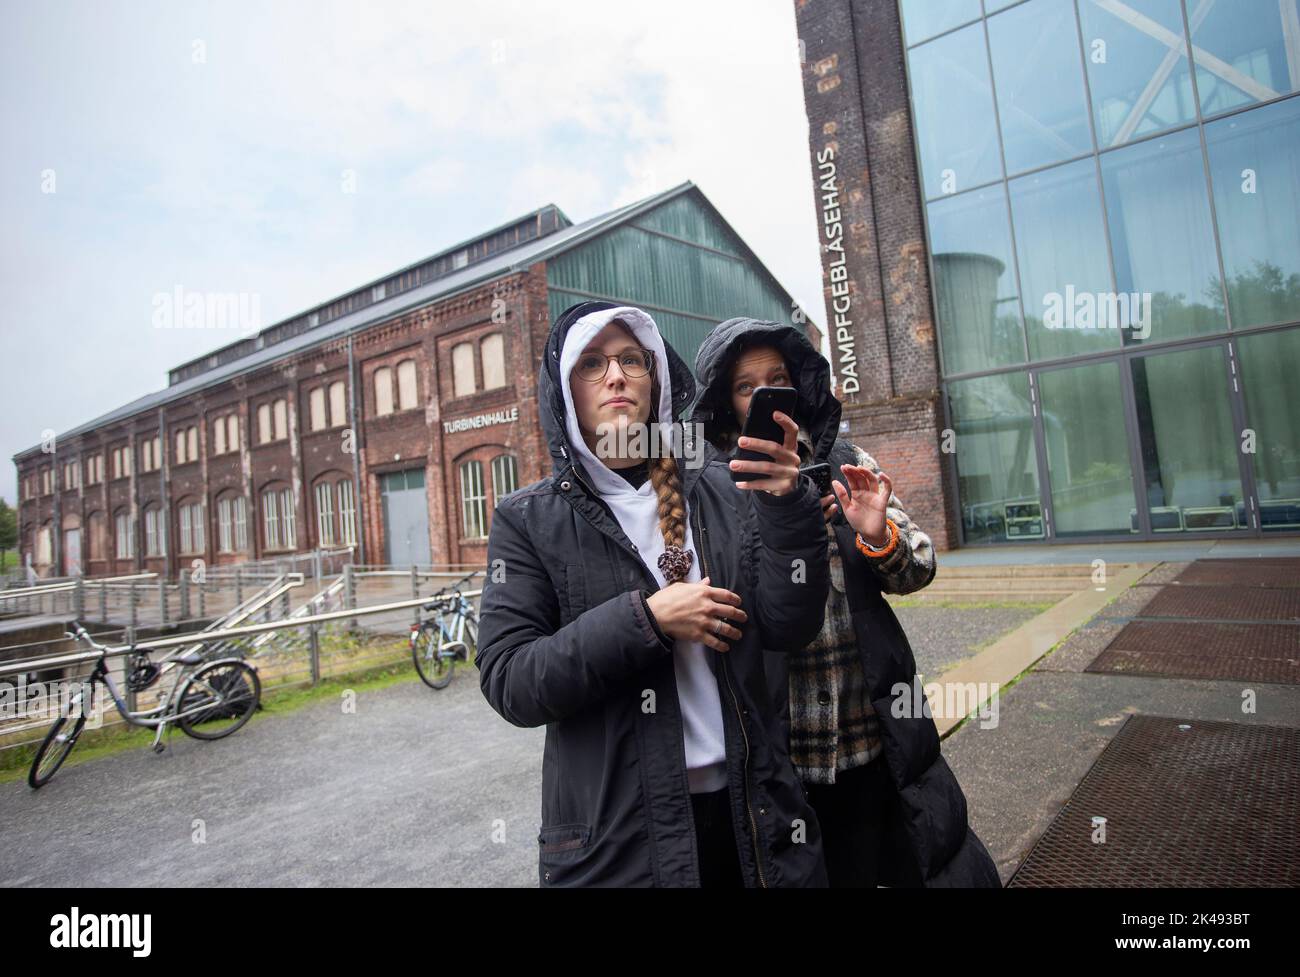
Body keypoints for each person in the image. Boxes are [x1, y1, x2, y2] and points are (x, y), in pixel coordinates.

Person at [475, 301, 831, 887]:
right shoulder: (528, 520)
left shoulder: (719, 486)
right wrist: (648, 620)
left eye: (631, 360)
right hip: (623, 841)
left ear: (656, 382)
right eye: (592, 364)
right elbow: (512, 681)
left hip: (755, 816)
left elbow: (789, 627)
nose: (615, 376)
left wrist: (787, 508)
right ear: (566, 394)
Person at [690, 316, 1000, 888]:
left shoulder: (843, 460)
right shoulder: (710, 492)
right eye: (744, 385)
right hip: (786, 758)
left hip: (880, 734)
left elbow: (920, 567)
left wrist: (876, 535)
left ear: (799, 384)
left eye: (777, 378)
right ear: (724, 401)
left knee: (918, 863)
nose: (764, 395)